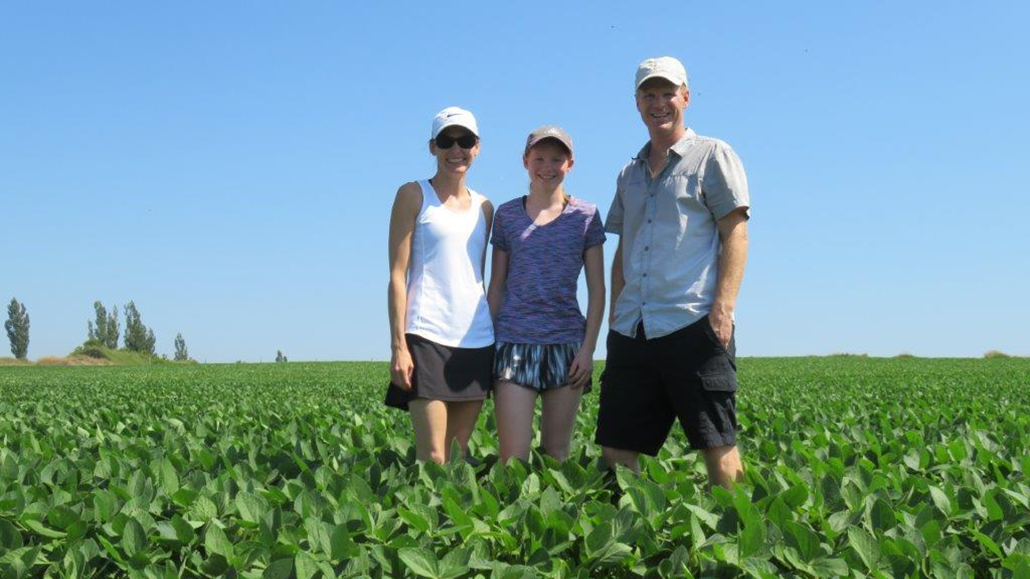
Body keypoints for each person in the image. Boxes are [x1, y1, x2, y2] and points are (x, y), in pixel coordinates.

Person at [595, 57, 751, 488]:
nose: (658, 102)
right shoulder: (629, 173)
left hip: (692, 321)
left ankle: (734, 544)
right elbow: (623, 250)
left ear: (685, 96)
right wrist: (614, 319)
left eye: (667, 93)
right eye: (649, 94)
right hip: (634, 327)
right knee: (616, 447)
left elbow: (735, 233)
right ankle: (624, 543)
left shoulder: (712, 155)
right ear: (637, 103)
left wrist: (724, 306)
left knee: (716, 442)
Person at [487, 126, 606, 463]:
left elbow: (597, 290)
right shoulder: (507, 215)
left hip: (567, 347)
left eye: (557, 158)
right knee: (513, 457)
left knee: (556, 454)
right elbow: (497, 286)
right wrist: (487, 344)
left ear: (571, 163)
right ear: (525, 162)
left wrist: (588, 349)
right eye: (539, 158)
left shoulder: (586, 215)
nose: (547, 166)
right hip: (512, 342)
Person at [385, 106, 495, 464]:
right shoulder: (413, 195)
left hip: (477, 339)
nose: (456, 149)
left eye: (465, 141)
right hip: (426, 335)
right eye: (447, 140)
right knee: (432, 456)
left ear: (477, 147)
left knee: (457, 454)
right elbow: (397, 275)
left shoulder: (485, 207)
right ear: (432, 146)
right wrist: (399, 346)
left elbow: (477, 275)